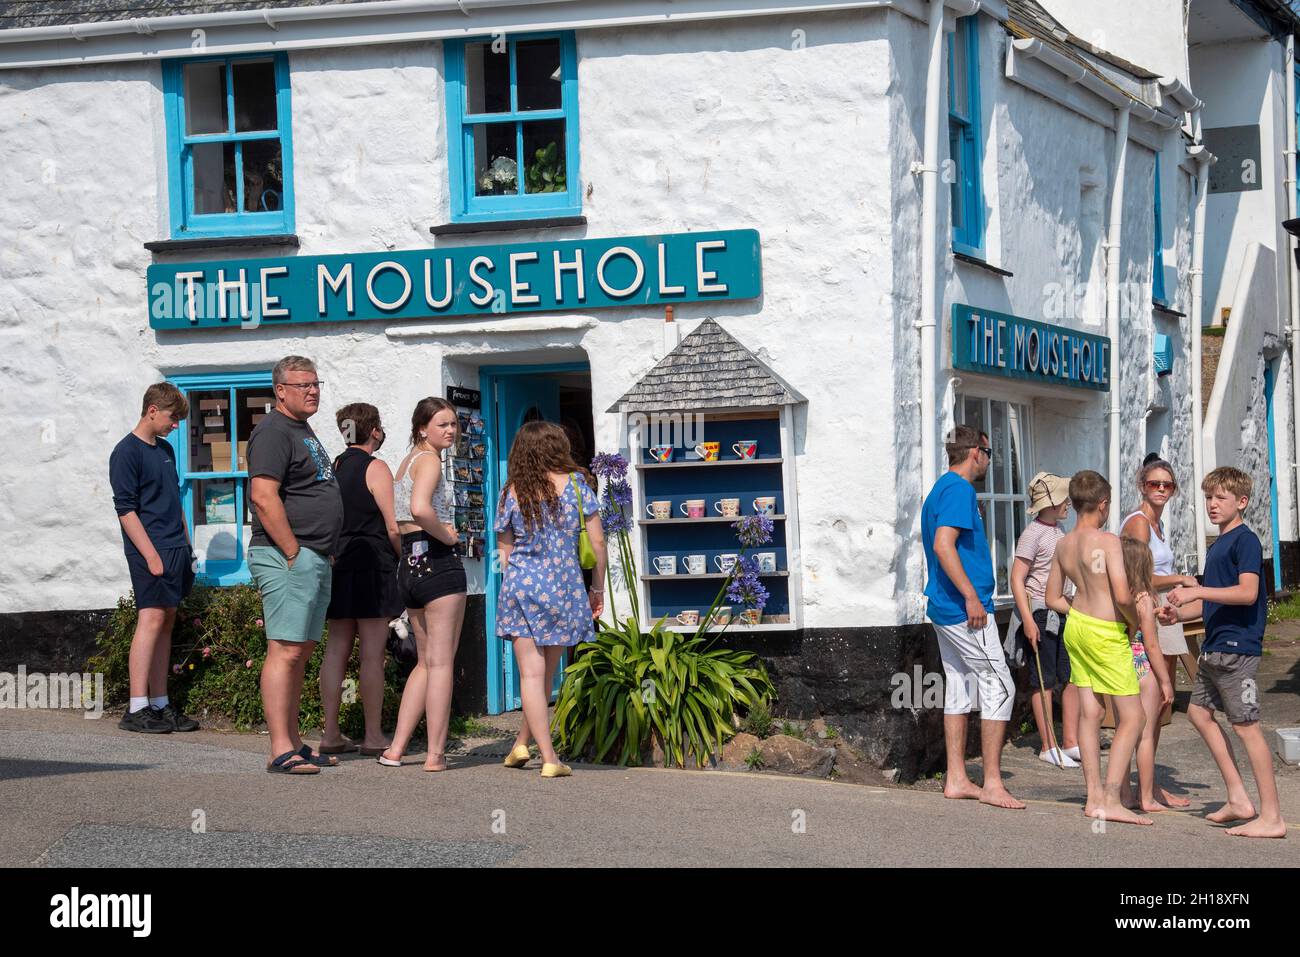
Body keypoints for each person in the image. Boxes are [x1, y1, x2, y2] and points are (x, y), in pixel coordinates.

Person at [1160, 467, 1285, 838]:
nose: (1212, 505)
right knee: (1198, 714)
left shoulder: (1245, 540)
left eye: (1221, 498)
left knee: (1247, 728)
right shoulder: (1217, 547)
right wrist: (1176, 614)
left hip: (1237, 650)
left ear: (1241, 502)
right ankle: (1238, 798)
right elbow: (1210, 605)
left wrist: (1196, 591)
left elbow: (1247, 592)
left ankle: (1273, 817)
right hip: (1215, 649)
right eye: (1208, 498)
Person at [247, 356, 344, 776]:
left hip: (313, 555)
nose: (312, 390)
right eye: (302, 385)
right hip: (287, 555)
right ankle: (278, 748)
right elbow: (263, 496)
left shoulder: (299, 429)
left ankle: (293, 740)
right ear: (280, 391)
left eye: (316, 383)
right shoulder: (271, 431)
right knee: (285, 650)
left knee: (300, 651)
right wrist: (292, 551)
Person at [495, 421, 608, 778]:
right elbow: (599, 545)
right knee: (545, 673)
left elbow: (505, 551)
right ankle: (550, 757)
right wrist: (597, 589)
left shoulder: (512, 491)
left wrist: (520, 576)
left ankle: (522, 744)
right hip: (564, 588)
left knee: (532, 673)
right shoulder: (577, 487)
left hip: (522, 586)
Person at [921, 425, 1024, 809]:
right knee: (1000, 686)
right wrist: (971, 597)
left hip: (945, 609)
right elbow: (943, 545)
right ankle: (993, 783)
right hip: (964, 609)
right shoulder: (959, 490)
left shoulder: (940, 489)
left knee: (961, 687)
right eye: (989, 452)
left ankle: (957, 779)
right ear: (975, 452)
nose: (988, 461)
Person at [1044, 470, 1150, 826]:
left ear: (1074, 504)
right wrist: (1134, 621)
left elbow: (1052, 597)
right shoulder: (1107, 542)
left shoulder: (1063, 544)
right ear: (1103, 504)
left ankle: (1092, 797)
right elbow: (1122, 595)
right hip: (1106, 633)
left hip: (1077, 629)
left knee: (1090, 714)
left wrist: (1080, 612)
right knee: (1133, 717)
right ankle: (1111, 797)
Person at [379, 398, 466, 772]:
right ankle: (435, 754)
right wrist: (447, 537)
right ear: (421, 428)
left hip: (409, 565)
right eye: (442, 425)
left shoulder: (407, 463)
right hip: (437, 562)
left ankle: (396, 749)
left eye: (453, 424)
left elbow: (397, 522)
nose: (450, 430)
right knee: (442, 663)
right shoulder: (429, 461)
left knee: (424, 663)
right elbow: (419, 508)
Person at [109, 383, 200, 734]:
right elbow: (126, 511)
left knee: (167, 620)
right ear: (151, 410)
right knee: (150, 620)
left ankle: (160, 703)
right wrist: (151, 555)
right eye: (172, 417)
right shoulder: (125, 452)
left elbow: (175, 502)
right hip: (151, 550)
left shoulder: (164, 450)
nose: (175, 425)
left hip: (176, 548)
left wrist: (188, 546)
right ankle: (136, 707)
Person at [318, 403, 403, 757]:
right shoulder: (376, 467)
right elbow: (392, 525)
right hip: (372, 562)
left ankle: (331, 733)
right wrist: (401, 558)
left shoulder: (334, 466)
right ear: (374, 431)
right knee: (371, 653)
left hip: (340, 560)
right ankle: (372, 735)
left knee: (336, 648)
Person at [1120, 456, 1197, 809]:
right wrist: (1181, 578)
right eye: (1155, 484)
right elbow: (1141, 575)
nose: (1161, 490)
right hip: (1148, 613)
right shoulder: (1138, 524)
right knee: (1150, 704)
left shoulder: (1158, 524)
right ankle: (1140, 791)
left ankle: (1147, 786)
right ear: (1142, 486)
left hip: (1163, 611)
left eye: (1167, 485)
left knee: (1159, 707)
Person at [1009, 472, 1080, 767]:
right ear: (1051, 503)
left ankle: (1070, 741)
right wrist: (1027, 619)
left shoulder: (1059, 530)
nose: (1069, 504)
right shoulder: (1033, 534)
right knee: (1044, 681)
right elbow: (1017, 578)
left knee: (1068, 676)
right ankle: (1047, 745)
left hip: (1061, 611)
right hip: (1040, 613)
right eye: (1065, 499)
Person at [1118, 537, 1179, 812]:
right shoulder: (1144, 597)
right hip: (1143, 669)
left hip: (1120, 667)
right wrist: (1165, 680)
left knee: (1124, 733)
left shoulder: (1115, 596)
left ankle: (1123, 794)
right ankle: (1146, 797)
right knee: (1145, 735)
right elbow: (1151, 644)